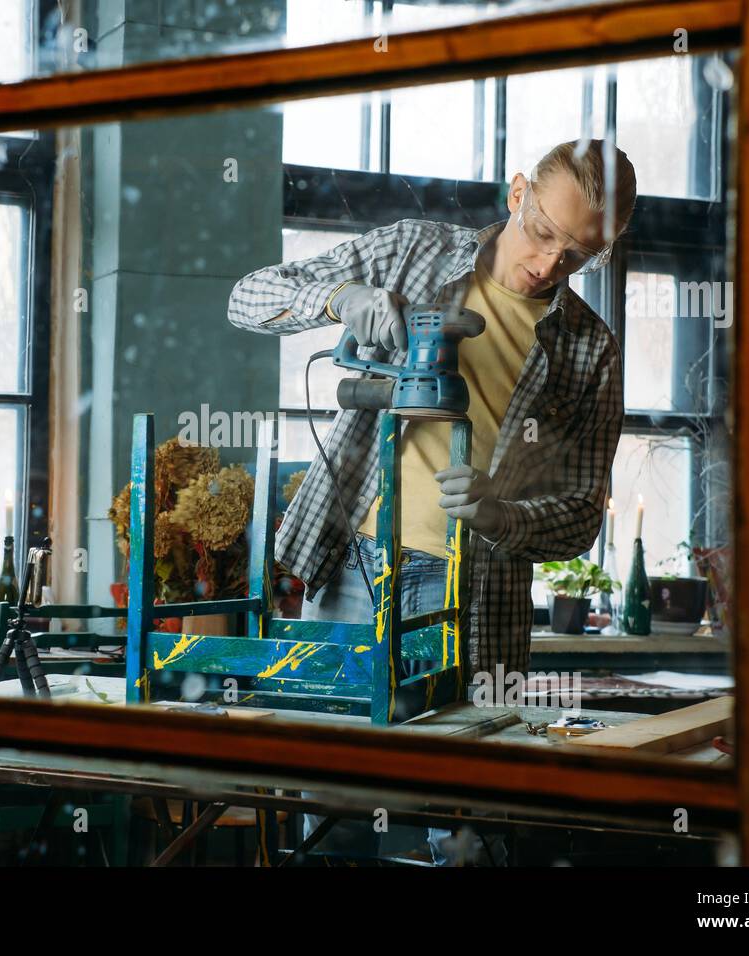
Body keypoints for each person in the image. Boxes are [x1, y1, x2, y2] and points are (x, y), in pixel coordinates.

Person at [226, 140, 635, 864]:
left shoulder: (589, 350)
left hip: (479, 596)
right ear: (516, 194)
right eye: (543, 234)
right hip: (353, 569)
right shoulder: (412, 252)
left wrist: (503, 516)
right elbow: (247, 297)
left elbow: (579, 511)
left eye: (577, 257)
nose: (548, 266)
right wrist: (337, 297)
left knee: (461, 826)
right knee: (332, 808)